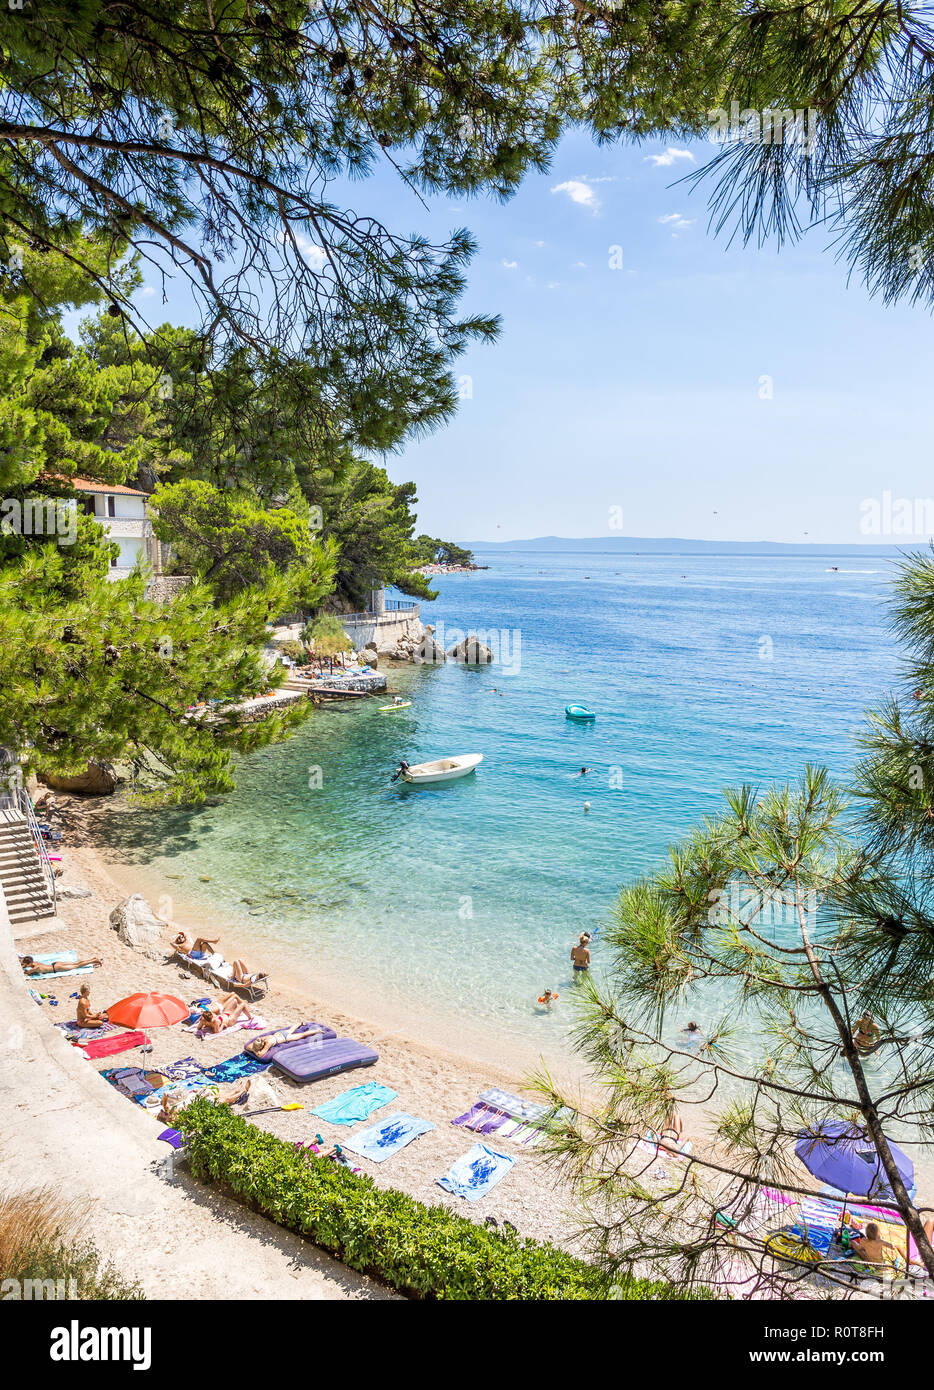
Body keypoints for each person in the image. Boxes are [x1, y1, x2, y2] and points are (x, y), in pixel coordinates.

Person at [246, 1023, 324, 1059]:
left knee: (302, 1035)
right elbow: (248, 1046)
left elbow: (260, 1055)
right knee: (291, 1029)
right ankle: (300, 1023)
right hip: (279, 1033)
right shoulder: (261, 1039)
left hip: (285, 1037)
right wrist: (254, 1048)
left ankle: (317, 1031)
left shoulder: (268, 1043)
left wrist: (255, 1051)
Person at [20, 954, 102, 976]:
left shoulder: (35, 967)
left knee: (77, 966)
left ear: (29, 963)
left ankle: (94, 960)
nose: (24, 965)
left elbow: (27, 973)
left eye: (25, 964)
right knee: (75, 963)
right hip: (55, 963)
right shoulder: (35, 963)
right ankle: (92, 959)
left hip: (57, 968)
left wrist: (24, 968)